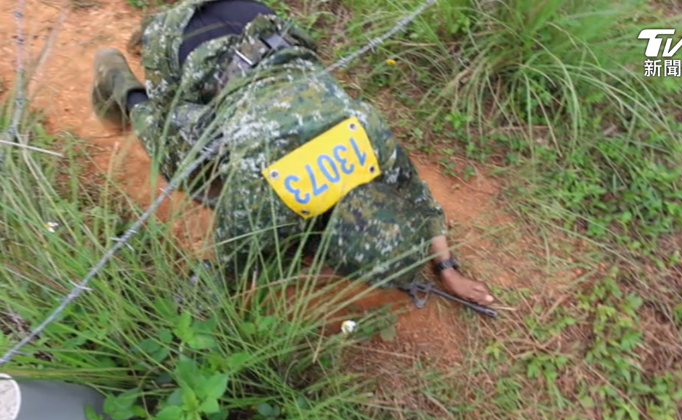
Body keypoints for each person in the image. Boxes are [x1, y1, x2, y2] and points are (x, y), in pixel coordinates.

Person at [90, 0, 495, 306]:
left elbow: (419, 199)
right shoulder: (268, 191)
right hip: (181, 45)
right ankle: (120, 80)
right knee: (178, 156)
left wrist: (446, 268)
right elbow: (227, 263)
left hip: (256, 18)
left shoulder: (371, 142)